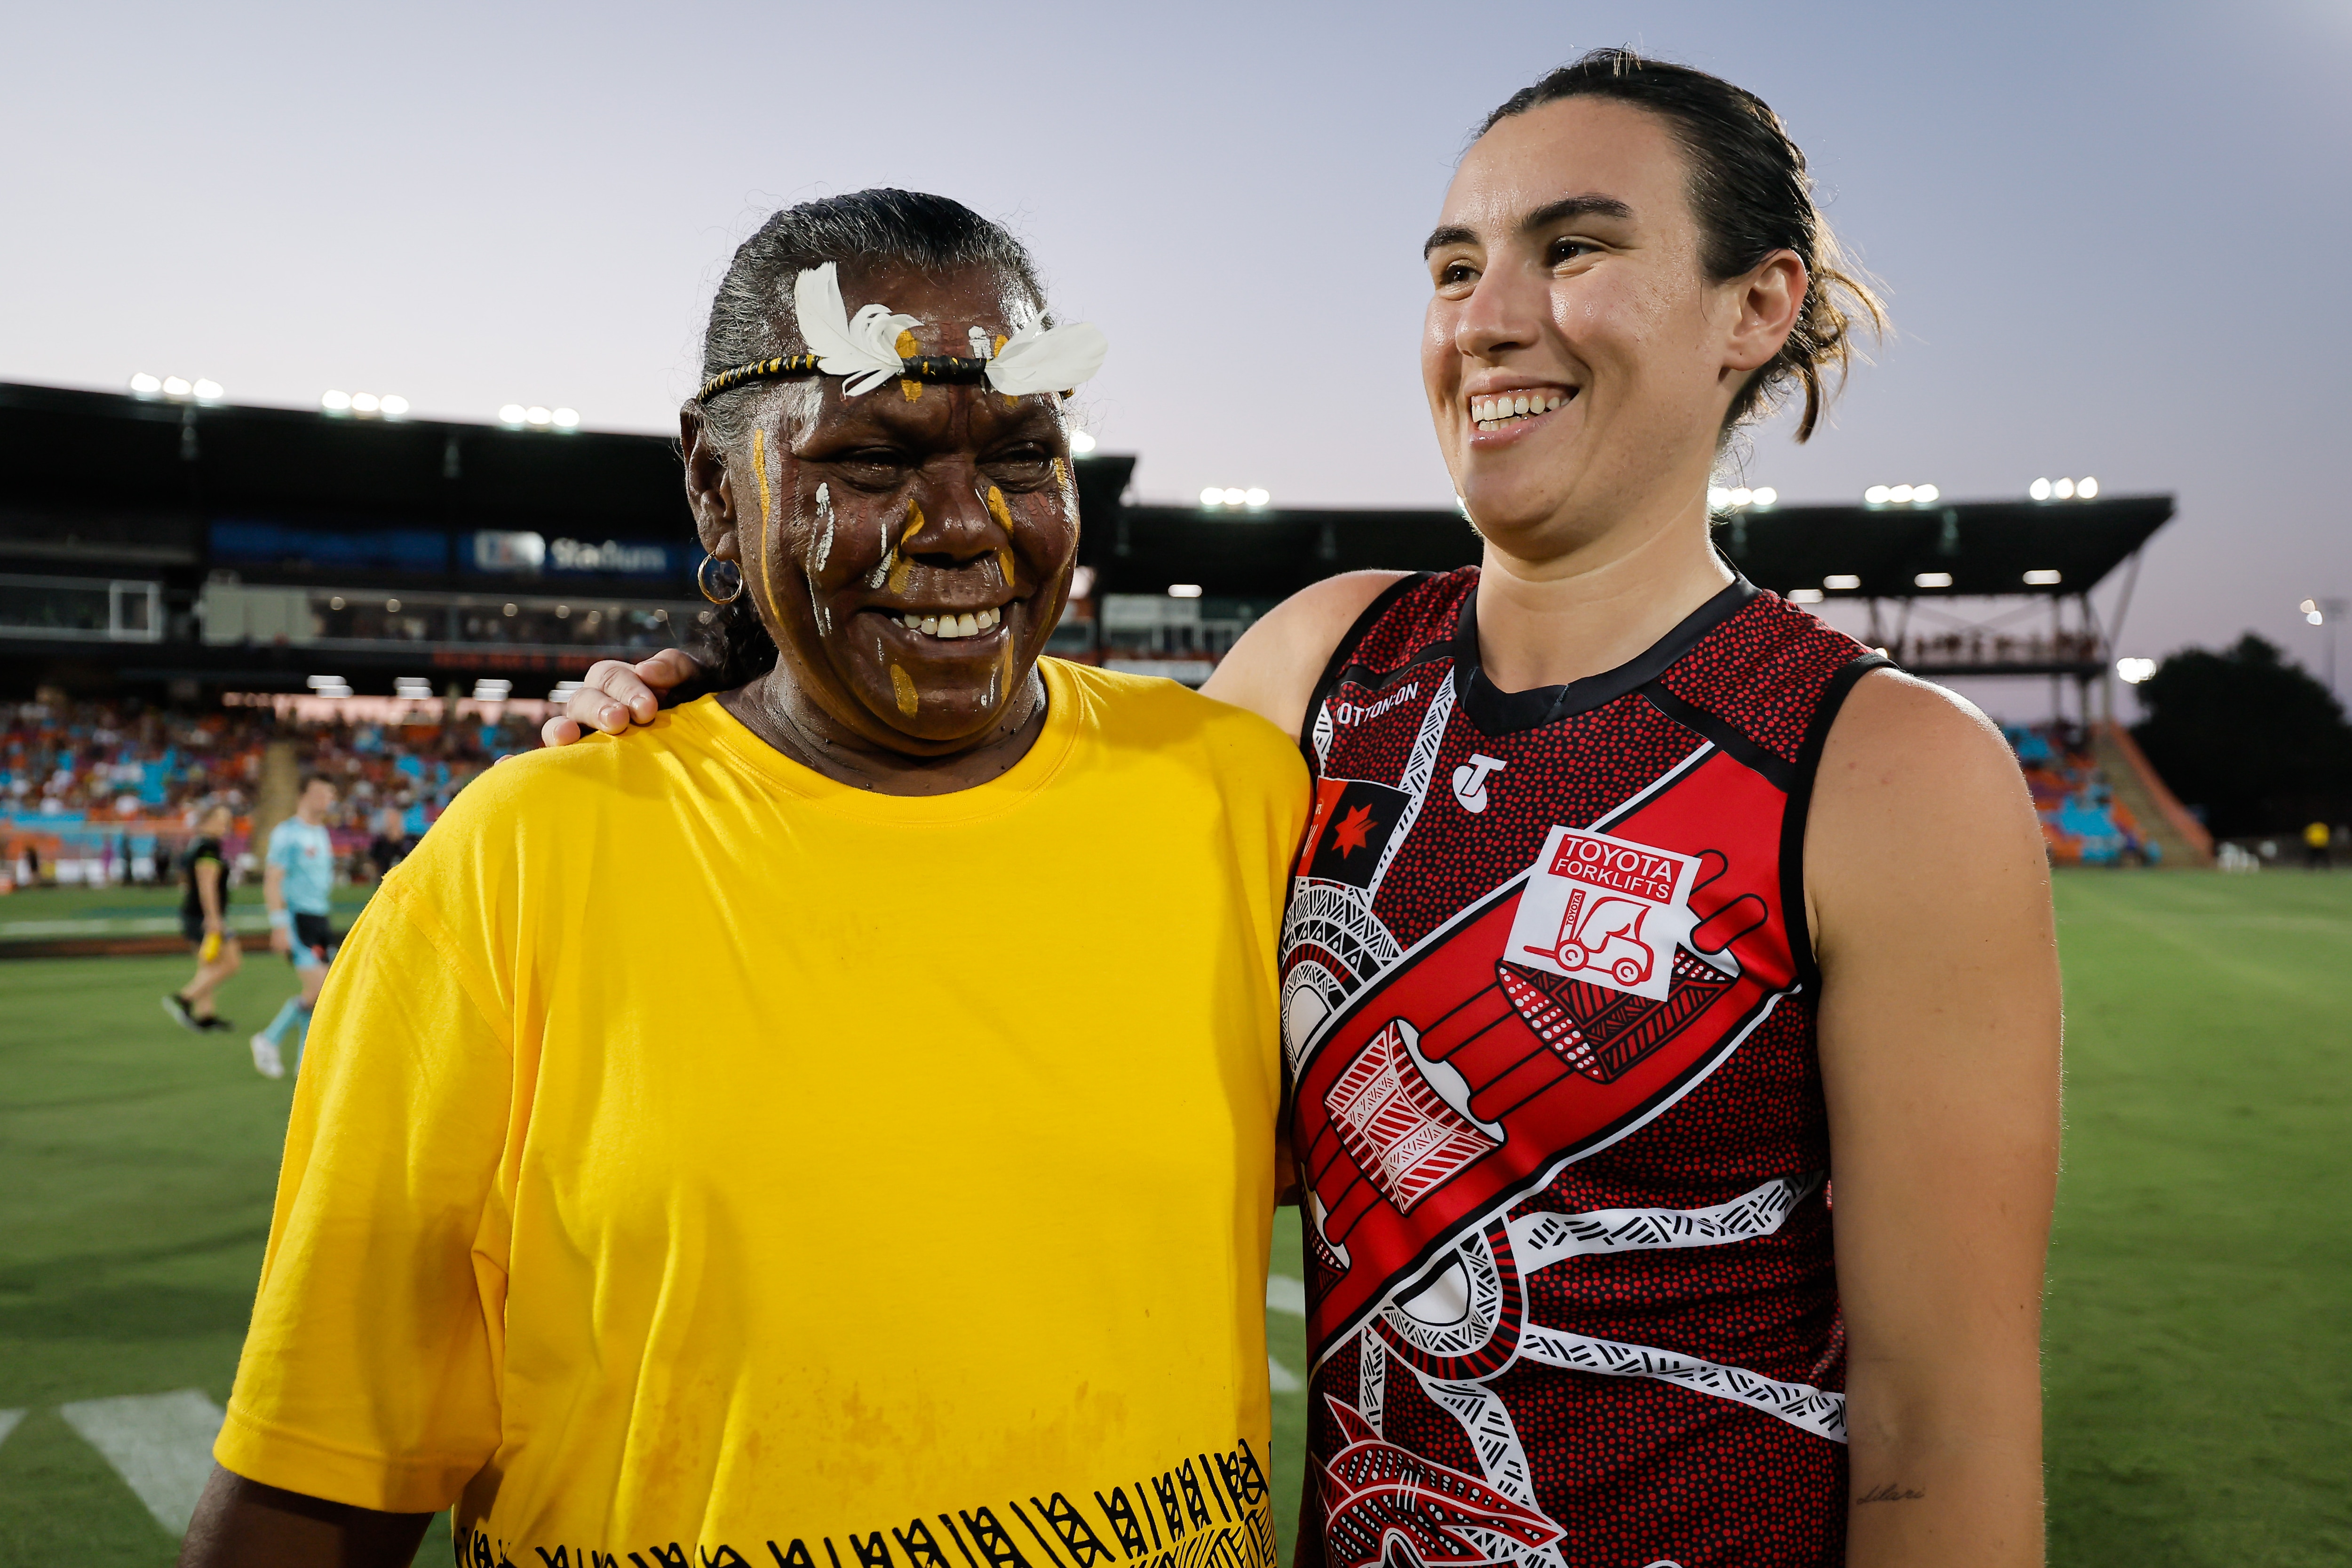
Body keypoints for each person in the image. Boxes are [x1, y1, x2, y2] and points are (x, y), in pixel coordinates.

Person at [556, 53, 2061, 1568]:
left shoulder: (1880, 768)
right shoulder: (1319, 668)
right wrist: (740, 694)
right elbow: (990, 859)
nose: (1485, 317)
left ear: (1755, 306)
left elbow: (1945, 1427)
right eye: (1454, 268)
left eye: (1573, 248)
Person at [179, 191, 1302, 1568]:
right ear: (716, 485)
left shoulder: (1237, 798)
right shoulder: (519, 861)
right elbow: (318, 1481)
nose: (966, 524)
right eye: (873, 461)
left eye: (1021, 453)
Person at [248, 774, 339, 1080]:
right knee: (321, 989)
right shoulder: (287, 833)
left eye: (330, 793)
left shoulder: (322, 832)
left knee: (318, 994)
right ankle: (268, 1039)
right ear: (303, 795)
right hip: (299, 919)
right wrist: (279, 925)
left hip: (320, 918)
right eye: (320, 792)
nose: (326, 798)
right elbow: (273, 880)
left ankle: (304, 1061)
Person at [163, 801, 241, 1033]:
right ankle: (184, 998)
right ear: (206, 821)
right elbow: (207, 884)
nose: (226, 825)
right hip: (203, 916)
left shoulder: (198, 845)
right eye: (220, 820)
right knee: (231, 962)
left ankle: (206, 1015)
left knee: (209, 965)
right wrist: (214, 918)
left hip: (194, 914)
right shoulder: (208, 847)